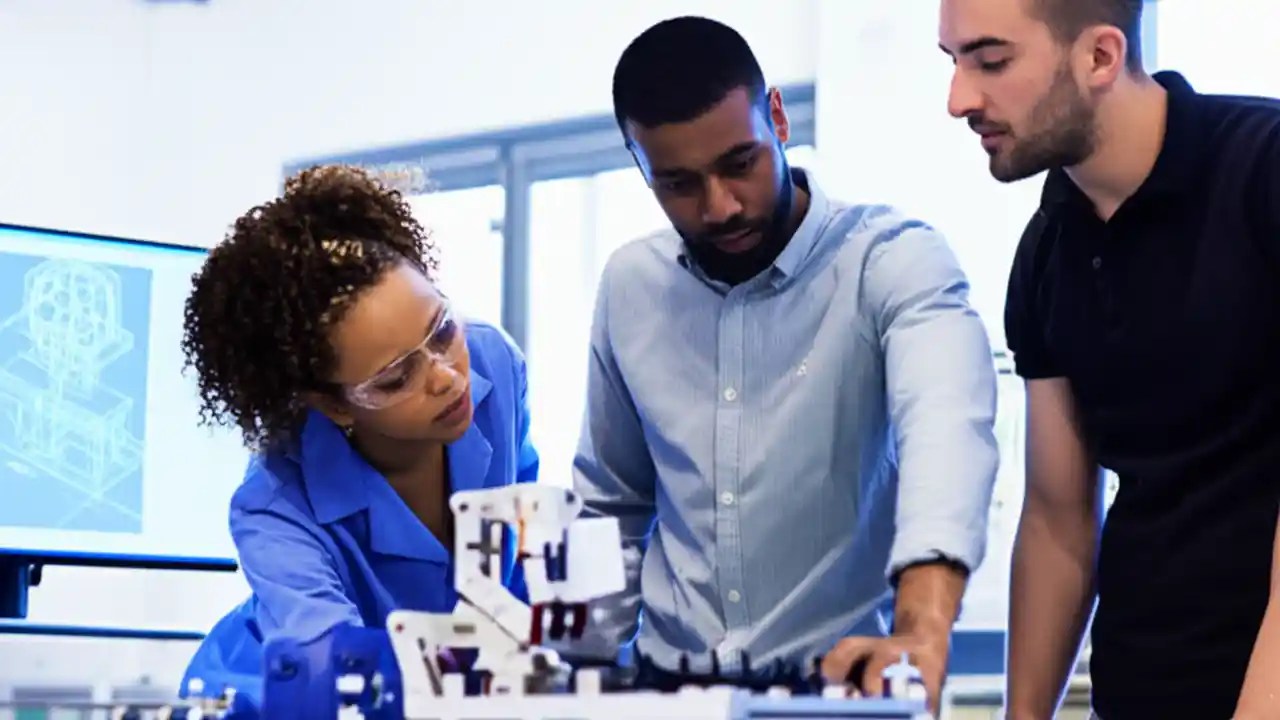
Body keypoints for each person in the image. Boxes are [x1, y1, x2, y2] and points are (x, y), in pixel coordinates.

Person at [567, 16, 999, 713]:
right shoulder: (630, 286)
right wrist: (568, 672)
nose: (720, 206)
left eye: (740, 163)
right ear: (638, 164)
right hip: (662, 691)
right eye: (678, 183)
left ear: (777, 117)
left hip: (833, 692)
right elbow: (612, 503)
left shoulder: (889, 261)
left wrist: (923, 627)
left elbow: (946, 431)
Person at [938, 0, 1280, 717]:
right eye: (954, 61)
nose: (959, 99)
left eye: (991, 61)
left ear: (1099, 56)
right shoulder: (1046, 253)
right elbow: (1059, 520)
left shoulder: (1263, 168)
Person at [177, 165, 538, 703]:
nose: (446, 376)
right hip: (285, 698)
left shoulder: (493, 366)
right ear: (330, 403)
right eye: (396, 377)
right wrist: (488, 670)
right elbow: (332, 668)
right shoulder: (275, 507)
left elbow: (525, 550)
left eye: (441, 331)